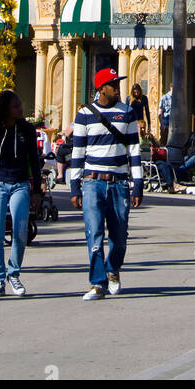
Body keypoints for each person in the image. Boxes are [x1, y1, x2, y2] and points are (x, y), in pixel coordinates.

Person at [69, 67, 143, 301]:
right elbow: (78, 152)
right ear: (101, 89)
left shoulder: (127, 112)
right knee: (95, 234)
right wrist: (74, 186)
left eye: (118, 84)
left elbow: (134, 151)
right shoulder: (84, 114)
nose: (117, 88)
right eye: (113, 85)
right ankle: (97, 283)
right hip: (93, 182)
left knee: (119, 236)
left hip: (119, 182)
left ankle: (113, 269)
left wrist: (138, 184)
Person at [0, 90, 42, 299]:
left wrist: (37, 191)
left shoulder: (27, 130)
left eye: (20, 104)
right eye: (16, 106)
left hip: (20, 184)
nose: (20, 109)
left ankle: (14, 274)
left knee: (20, 231)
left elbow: (34, 161)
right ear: (5, 109)